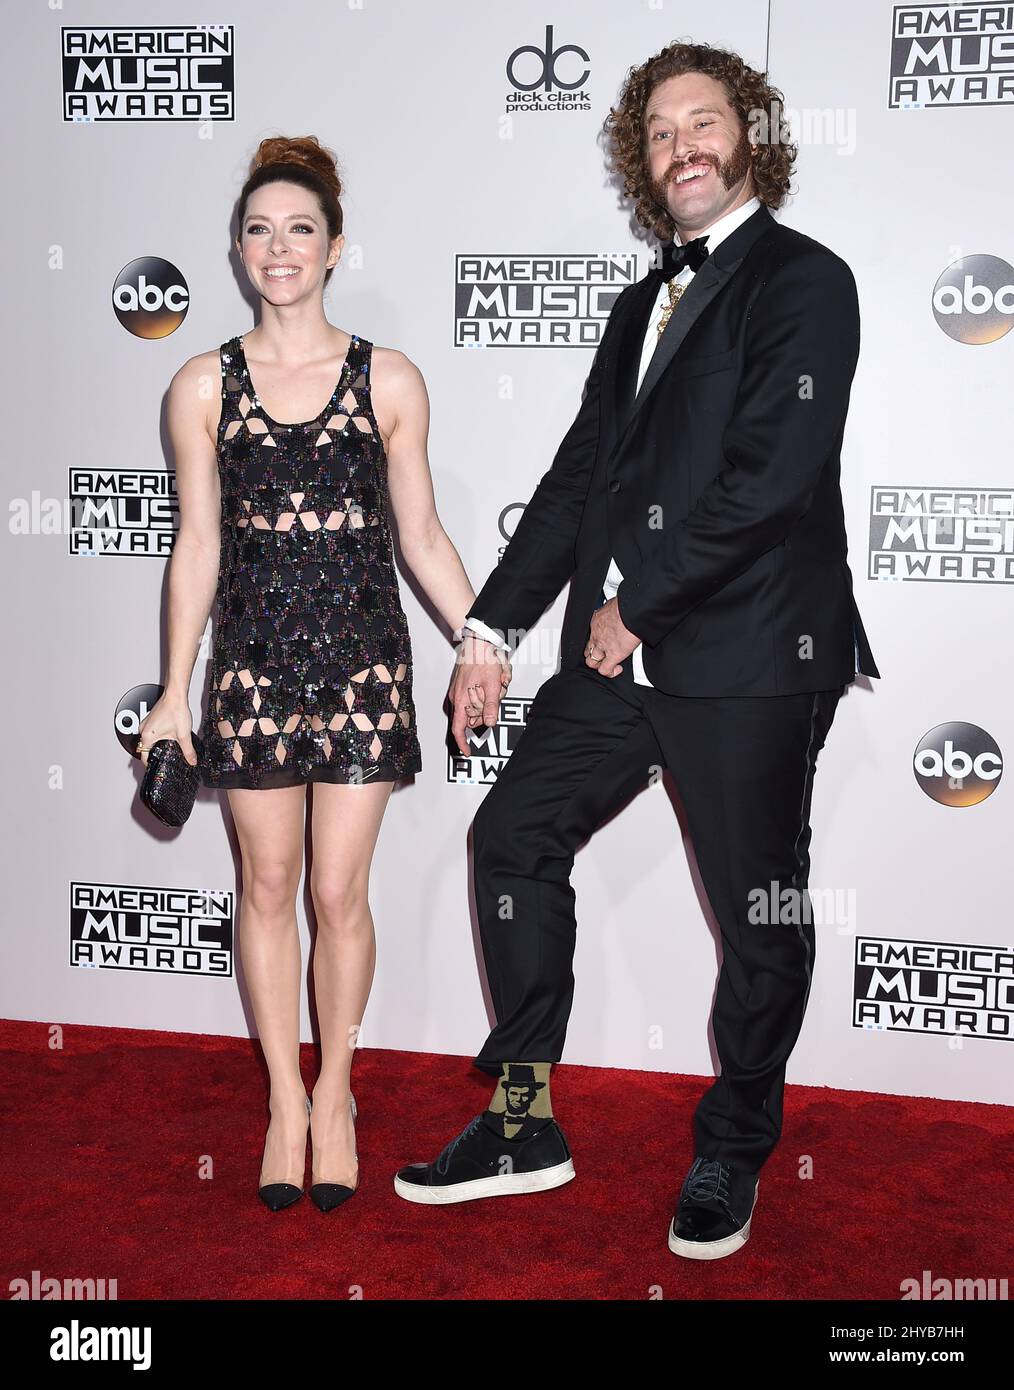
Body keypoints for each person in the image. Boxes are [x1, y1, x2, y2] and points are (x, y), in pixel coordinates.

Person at [394, 42, 880, 1260]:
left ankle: (734, 1142)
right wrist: (489, 629)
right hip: (619, 663)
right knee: (509, 837)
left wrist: (639, 607)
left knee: (760, 914)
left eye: (704, 122)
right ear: (642, 161)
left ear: (751, 133)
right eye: (660, 134)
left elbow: (769, 482)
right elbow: (579, 483)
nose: (683, 148)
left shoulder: (808, 281)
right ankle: (521, 1123)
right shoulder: (636, 305)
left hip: (751, 657)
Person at [136, 135, 511, 1213]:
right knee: (264, 886)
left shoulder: (388, 377)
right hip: (249, 670)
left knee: (339, 891)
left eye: (300, 227)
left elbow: (423, 535)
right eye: (259, 229)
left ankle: (336, 1089)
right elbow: (197, 546)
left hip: (361, 668)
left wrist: (481, 636)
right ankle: (282, 1102)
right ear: (238, 251)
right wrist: (173, 689)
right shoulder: (200, 382)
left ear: (335, 246)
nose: (279, 246)